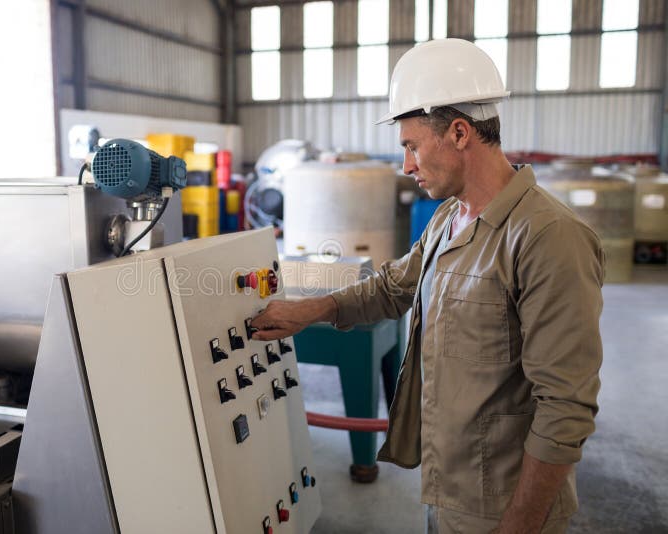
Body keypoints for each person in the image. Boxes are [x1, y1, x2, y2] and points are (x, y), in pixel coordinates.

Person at [250, 39, 604, 534]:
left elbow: (565, 407)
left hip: (501, 509)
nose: (406, 166)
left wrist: (519, 525)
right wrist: (310, 310)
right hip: (446, 488)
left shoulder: (548, 238)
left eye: (412, 146)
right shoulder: (449, 219)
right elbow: (392, 288)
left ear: (459, 133)